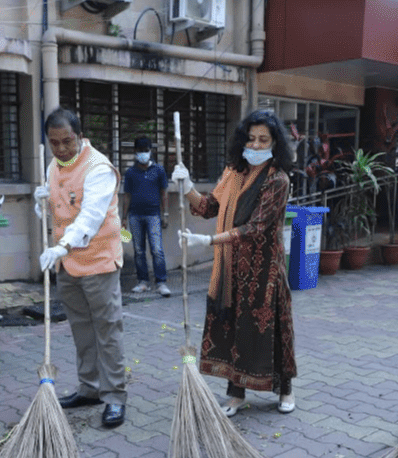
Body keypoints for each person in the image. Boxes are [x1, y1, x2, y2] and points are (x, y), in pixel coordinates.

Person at [172, 110, 298, 417]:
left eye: (263, 140)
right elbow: (208, 207)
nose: (255, 146)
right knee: (232, 330)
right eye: (251, 139)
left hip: (263, 271)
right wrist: (187, 186)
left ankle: (285, 390)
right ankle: (235, 394)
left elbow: (256, 227)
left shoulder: (277, 180)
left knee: (271, 330)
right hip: (230, 269)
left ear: (275, 143)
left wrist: (209, 242)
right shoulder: (233, 172)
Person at [34, 107, 127, 428]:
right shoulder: (53, 167)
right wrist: (40, 200)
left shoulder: (98, 168)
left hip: (99, 262)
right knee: (82, 330)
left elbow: (90, 217)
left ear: (81, 136)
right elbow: (58, 209)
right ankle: (89, 388)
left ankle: (114, 395)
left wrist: (60, 246)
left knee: (107, 330)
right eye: (54, 142)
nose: (61, 149)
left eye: (67, 142)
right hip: (69, 265)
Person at [122, 136, 171, 297]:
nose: (143, 154)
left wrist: (165, 214)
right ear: (135, 152)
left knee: (157, 250)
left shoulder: (158, 170)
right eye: (140, 151)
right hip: (134, 216)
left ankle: (161, 283)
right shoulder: (130, 173)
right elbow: (127, 196)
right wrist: (123, 218)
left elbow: (164, 193)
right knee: (139, 250)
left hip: (153, 215)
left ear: (150, 151)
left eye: (146, 151)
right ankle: (143, 282)